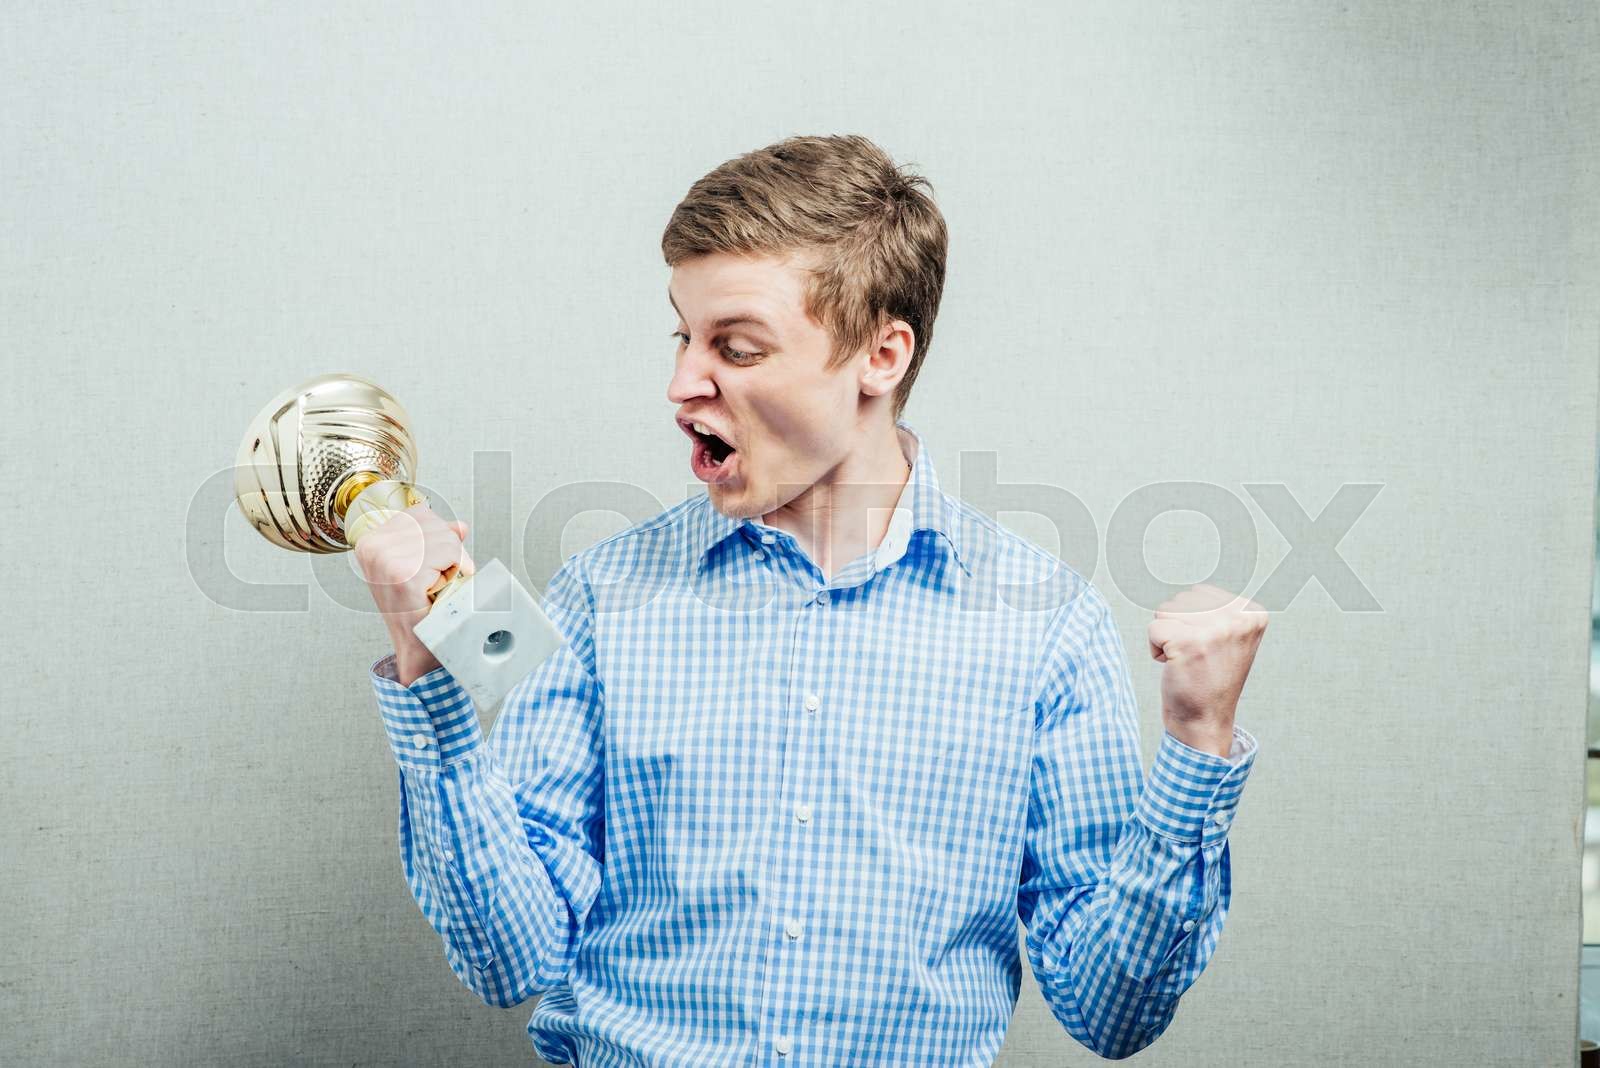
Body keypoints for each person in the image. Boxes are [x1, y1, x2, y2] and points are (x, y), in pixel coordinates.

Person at [355, 134, 1267, 1066]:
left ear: (880, 354)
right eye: (683, 336)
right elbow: (511, 958)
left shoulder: (1045, 626)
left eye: (736, 347)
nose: (681, 386)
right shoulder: (599, 598)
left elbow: (1111, 1014)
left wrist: (1197, 748)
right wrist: (433, 680)